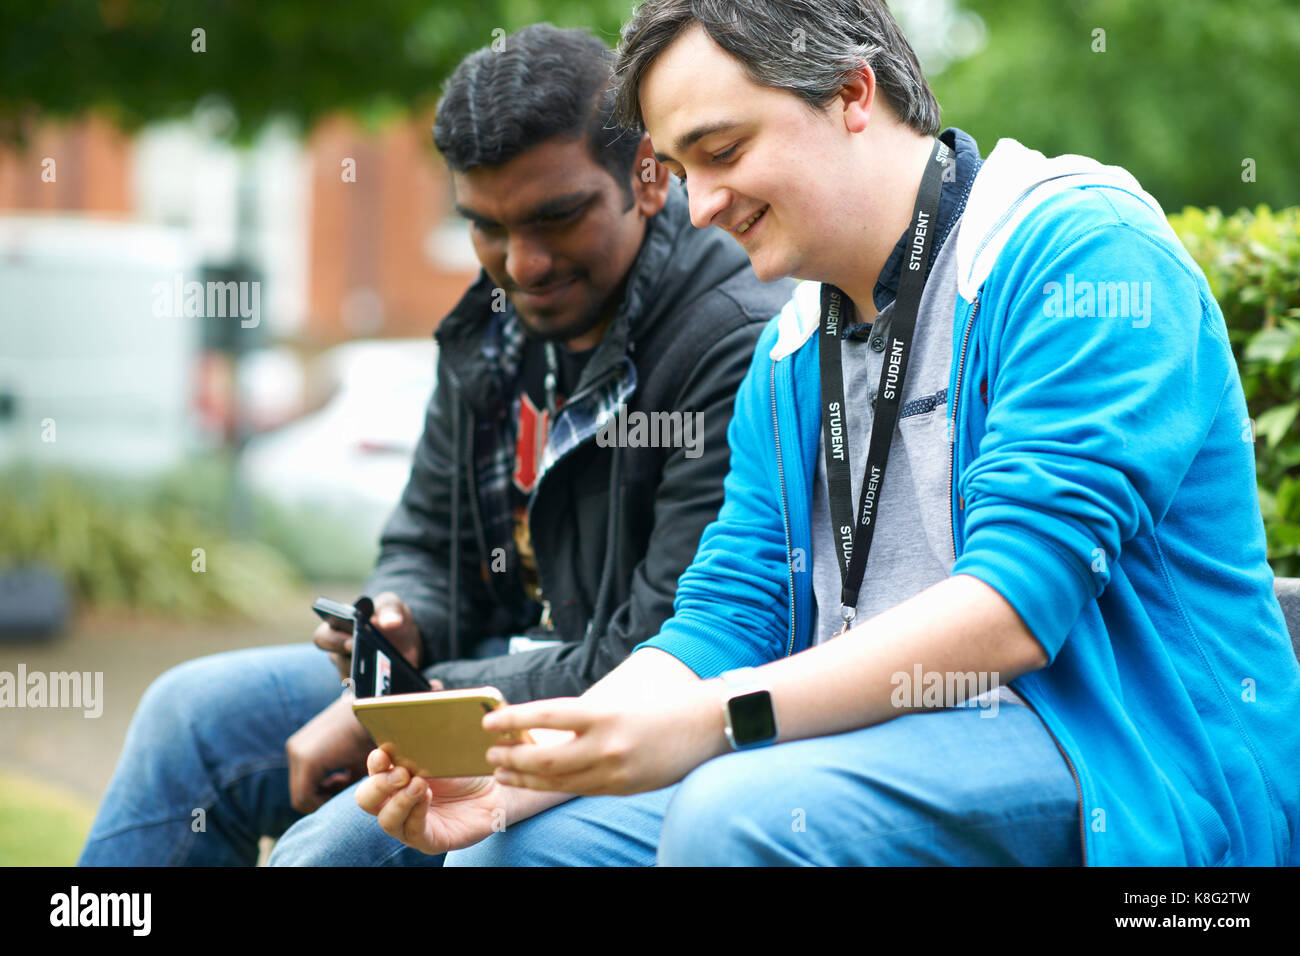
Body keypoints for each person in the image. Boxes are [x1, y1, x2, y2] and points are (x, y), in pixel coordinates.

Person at [358, 0, 1300, 866]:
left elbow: (1015, 607)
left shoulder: (1083, 254)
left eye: (721, 150)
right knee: (512, 850)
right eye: (681, 172)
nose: (699, 205)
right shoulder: (788, 353)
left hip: (1130, 771)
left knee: (737, 812)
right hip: (869, 756)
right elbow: (726, 619)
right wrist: (522, 779)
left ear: (854, 92)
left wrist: (712, 720)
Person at [77, 22, 792, 866]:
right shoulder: (492, 334)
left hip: (625, 716)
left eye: (556, 218)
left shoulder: (733, 340)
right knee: (188, 713)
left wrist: (405, 707)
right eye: (485, 227)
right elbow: (424, 542)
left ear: (646, 177)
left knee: (328, 852)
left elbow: (657, 654)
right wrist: (401, 623)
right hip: (479, 678)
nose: (522, 264)